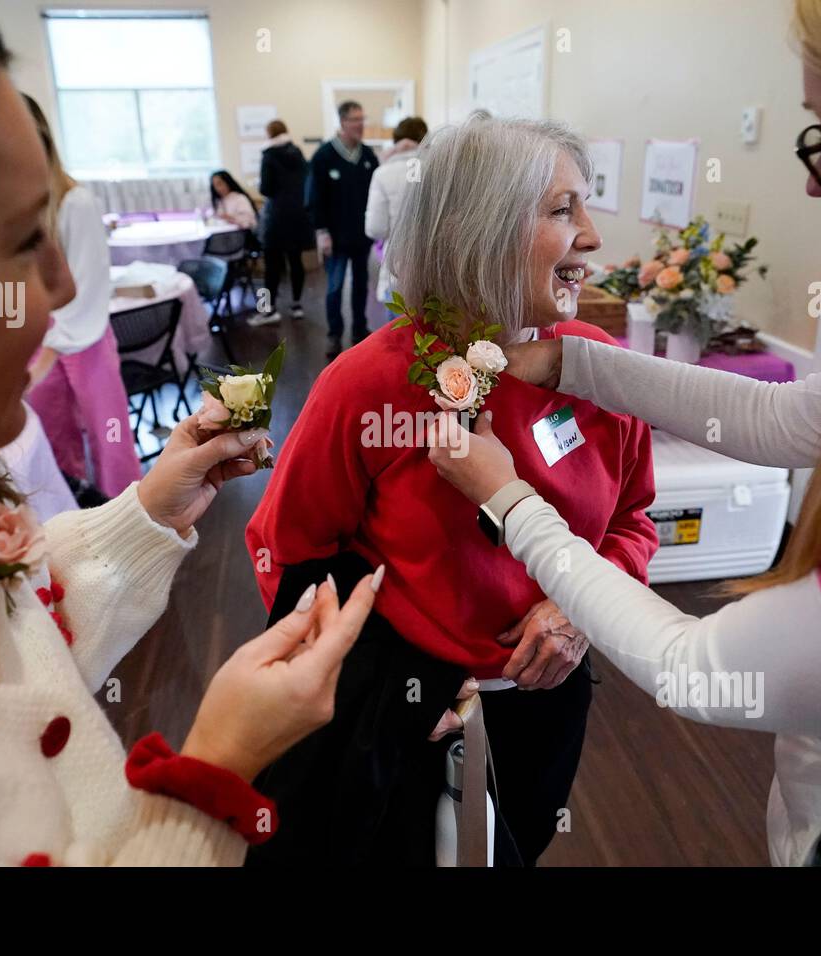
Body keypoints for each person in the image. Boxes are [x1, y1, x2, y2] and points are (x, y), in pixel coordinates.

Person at [428, 0, 821, 866]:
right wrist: (568, 364)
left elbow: (693, 664)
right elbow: (783, 417)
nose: (815, 181)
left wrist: (506, 497)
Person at [0, 0, 378, 866]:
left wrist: (148, 512)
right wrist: (221, 766)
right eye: (24, 240)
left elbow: (12, 644)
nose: (61, 286)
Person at [245, 113, 658, 866]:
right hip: (403, 709)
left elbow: (633, 521)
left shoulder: (599, 368)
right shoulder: (367, 383)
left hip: (549, 693)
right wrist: (367, 681)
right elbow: (289, 548)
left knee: (516, 847)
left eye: (585, 206)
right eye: (564, 210)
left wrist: (579, 608)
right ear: (483, 228)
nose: (593, 238)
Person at [22, 96, 141, 499]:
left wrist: (51, 349)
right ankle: (65, 522)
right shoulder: (14, 207)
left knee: (110, 443)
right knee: (50, 439)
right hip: (39, 337)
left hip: (83, 336)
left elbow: (87, 287)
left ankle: (126, 525)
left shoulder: (76, 202)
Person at [306, 100, 378, 359]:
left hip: (361, 236)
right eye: (355, 119)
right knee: (335, 287)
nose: (360, 124)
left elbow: (376, 194)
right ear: (342, 122)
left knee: (361, 285)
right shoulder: (324, 156)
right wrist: (322, 231)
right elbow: (313, 197)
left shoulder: (368, 156)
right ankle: (334, 334)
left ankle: (360, 329)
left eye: (362, 118)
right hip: (334, 238)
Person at [253, 119, 312, 327]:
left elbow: (266, 189)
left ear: (269, 134)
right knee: (295, 262)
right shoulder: (297, 152)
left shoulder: (268, 156)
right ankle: (297, 305)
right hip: (297, 216)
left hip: (276, 218)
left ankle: (267, 309)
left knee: (272, 266)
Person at [365, 116, 428, 307]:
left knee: (399, 332)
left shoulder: (383, 173)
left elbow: (376, 229)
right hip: (434, 267)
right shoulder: (437, 169)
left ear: (396, 141)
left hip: (397, 268)